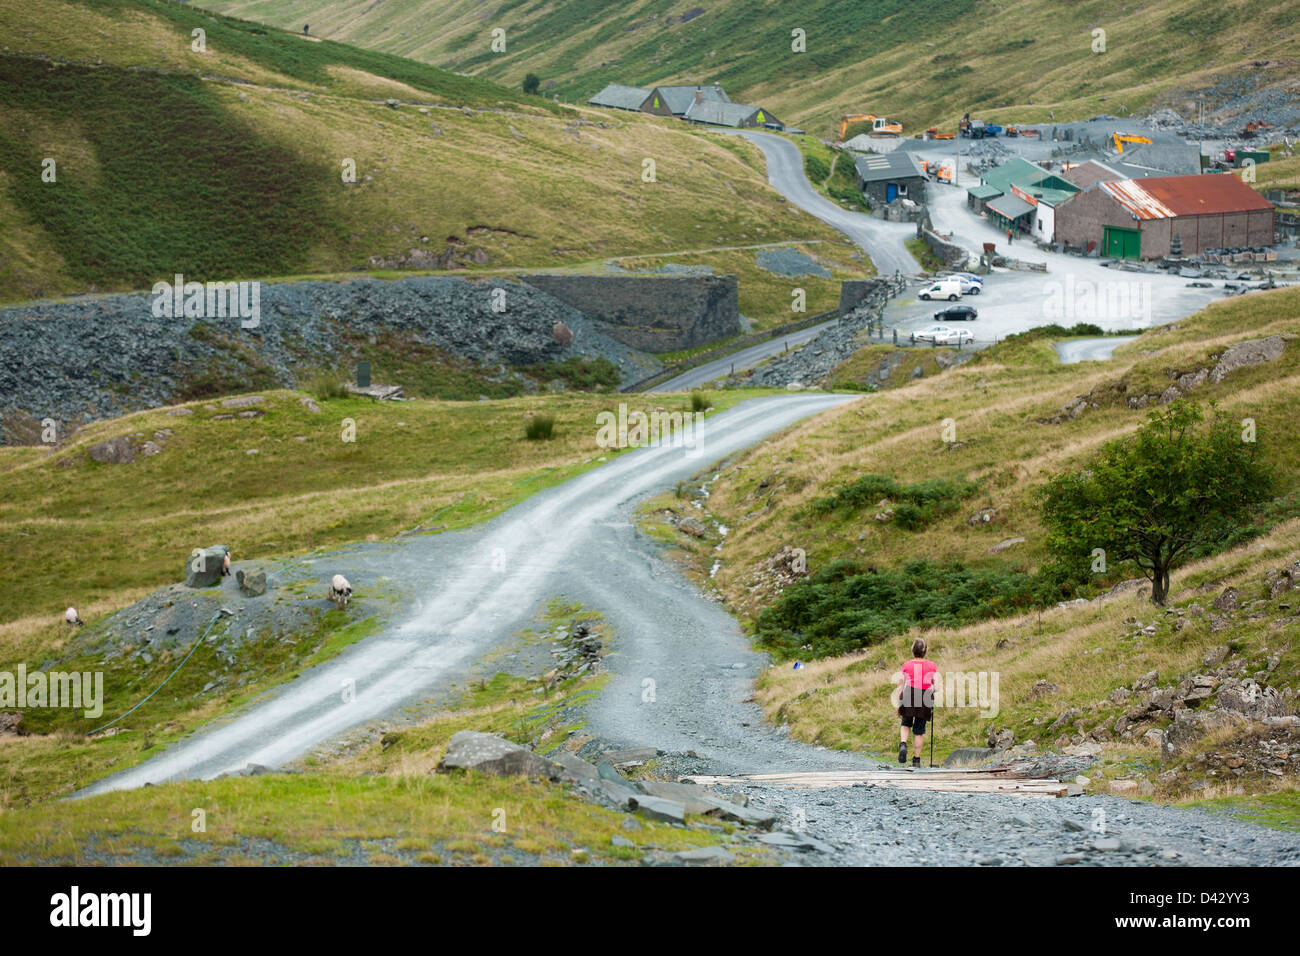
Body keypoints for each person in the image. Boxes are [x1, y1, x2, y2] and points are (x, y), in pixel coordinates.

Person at [897, 637, 937, 767]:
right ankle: (916, 760)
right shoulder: (932, 665)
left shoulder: (907, 665)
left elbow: (900, 684)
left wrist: (899, 700)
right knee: (919, 730)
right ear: (925, 651)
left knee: (905, 723)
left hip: (909, 693)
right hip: (925, 696)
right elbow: (936, 685)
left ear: (913, 650)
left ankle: (903, 744)